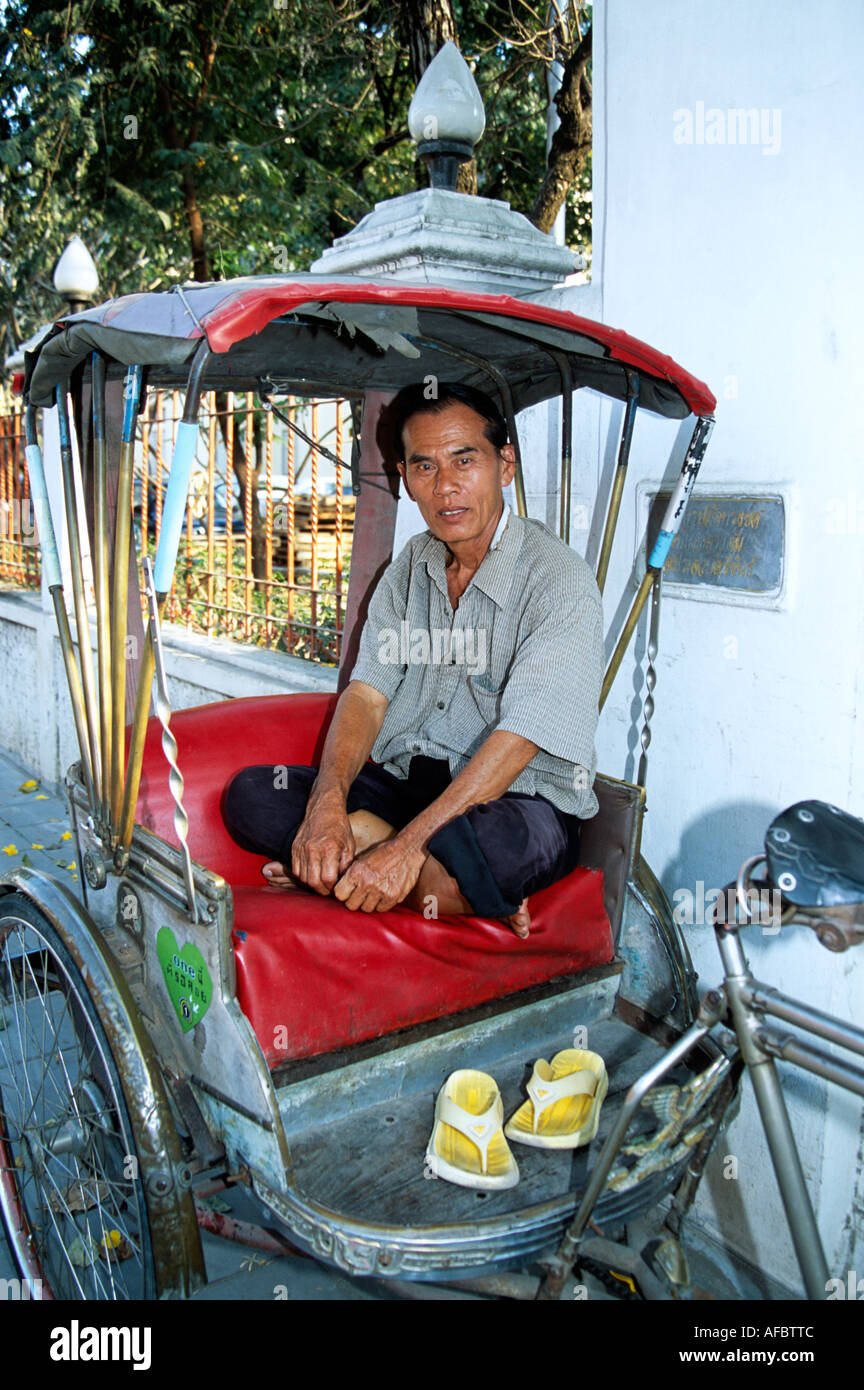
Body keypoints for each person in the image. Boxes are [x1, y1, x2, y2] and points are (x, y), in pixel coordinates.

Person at [222, 382, 603, 939]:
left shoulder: (557, 579)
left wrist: (403, 846)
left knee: (498, 849)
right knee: (254, 797)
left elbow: (518, 741)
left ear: (505, 465)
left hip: (514, 797)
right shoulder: (410, 566)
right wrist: (328, 807)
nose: (446, 487)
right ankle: (445, 888)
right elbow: (367, 694)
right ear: (406, 477)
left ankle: (391, 865)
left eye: (464, 461)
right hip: (408, 787)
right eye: (424, 467)